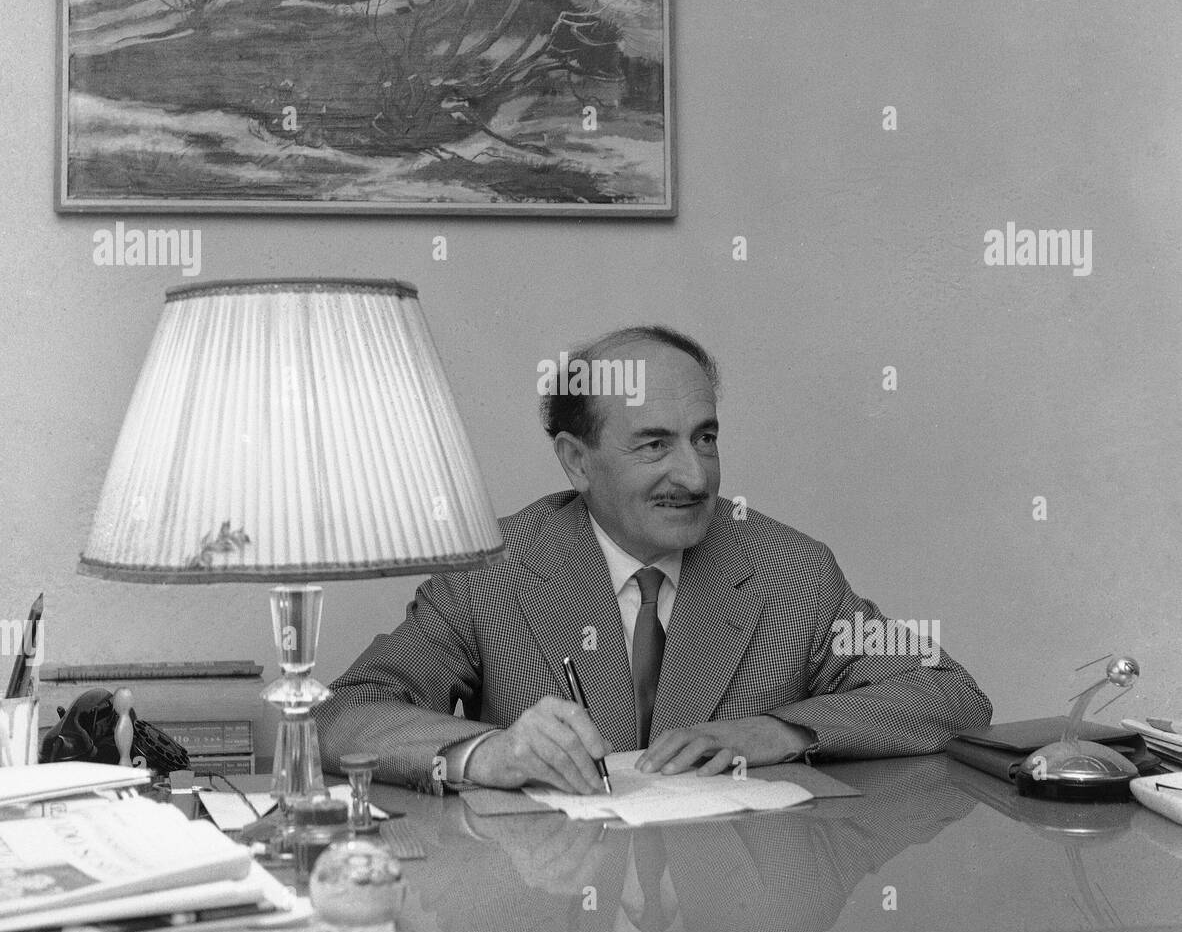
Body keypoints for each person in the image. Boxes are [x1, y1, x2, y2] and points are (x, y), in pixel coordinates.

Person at [316, 326, 992, 794]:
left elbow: (950, 694)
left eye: (705, 438)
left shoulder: (793, 573)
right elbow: (348, 715)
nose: (695, 477)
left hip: (729, 914)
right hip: (558, 924)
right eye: (654, 446)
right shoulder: (490, 572)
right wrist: (482, 753)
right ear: (576, 460)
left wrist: (781, 731)